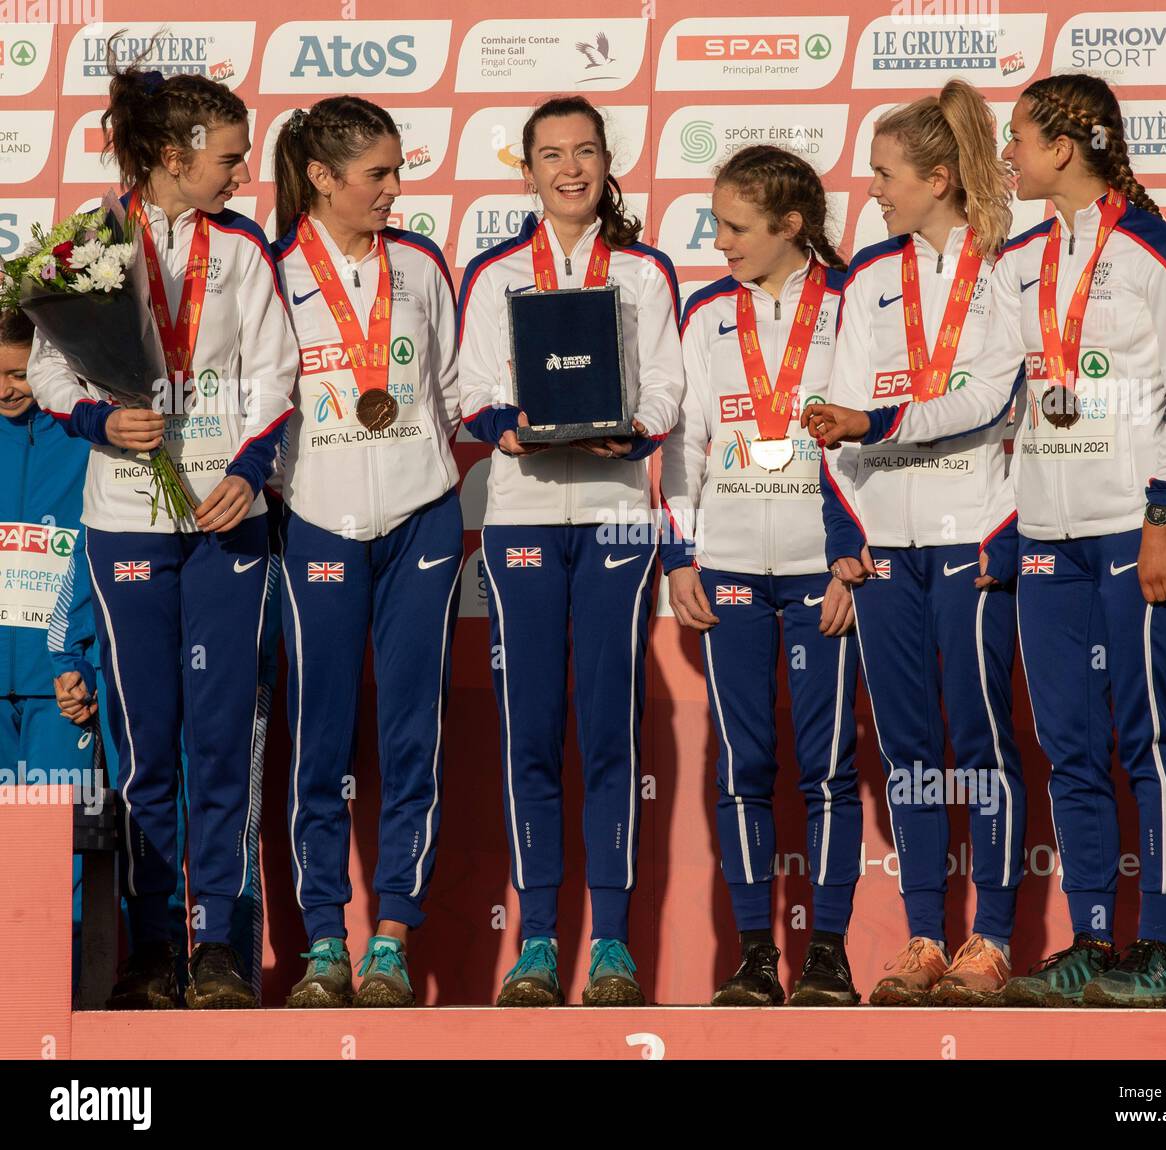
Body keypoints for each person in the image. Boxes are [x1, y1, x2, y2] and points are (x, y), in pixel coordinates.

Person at [805, 73, 1166, 1007]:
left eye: (1022, 143)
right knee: (1069, 743)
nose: (1008, 160)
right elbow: (991, 390)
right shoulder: (1020, 259)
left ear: (1064, 150)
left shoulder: (1153, 251)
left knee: (1149, 739)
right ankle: (1092, 942)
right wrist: (875, 424)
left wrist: (1161, 515)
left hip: (1128, 526)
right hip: (1044, 534)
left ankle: (1162, 952)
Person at [27, 39, 298, 1009]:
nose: (242, 171)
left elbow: (278, 375)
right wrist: (102, 417)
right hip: (127, 518)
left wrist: (250, 468)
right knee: (145, 743)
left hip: (223, 520)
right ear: (177, 153)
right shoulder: (88, 240)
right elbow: (54, 368)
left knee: (221, 738)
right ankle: (150, 948)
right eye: (230, 155)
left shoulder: (244, 251)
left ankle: (219, 940)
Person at [457, 95, 685, 1007]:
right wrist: (513, 429)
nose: (571, 169)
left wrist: (634, 432)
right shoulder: (493, 271)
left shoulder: (643, 268)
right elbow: (471, 390)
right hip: (521, 516)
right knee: (532, 733)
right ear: (527, 168)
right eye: (551, 154)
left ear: (606, 157)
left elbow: (669, 386)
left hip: (619, 515)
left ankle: (616, 947)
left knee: (611, 729)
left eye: (585, 150)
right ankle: (540, 941)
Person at [816, 80, 1026, 1007]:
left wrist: (873, 421)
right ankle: (923, 939)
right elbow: (830, 414)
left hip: (973, 532)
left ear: (938, 178)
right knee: (906, 747)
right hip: (886, 547)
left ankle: (996, 937)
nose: (871, 191)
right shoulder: (868, 277)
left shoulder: (1008, 270)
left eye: (885, 175)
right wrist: (845, 532)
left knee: (978, 743)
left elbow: (991, 399)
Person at [659, 145, 862, 1006]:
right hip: (731, 564)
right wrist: (679, 552)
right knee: (742, 763)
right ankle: (751, 954)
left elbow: (867, 440)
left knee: (828, 767)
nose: (721, 241)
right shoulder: (707, 313)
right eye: (716, 223)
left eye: (737, 227)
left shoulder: (853, 305)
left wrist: (856, 555)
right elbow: (684, 442)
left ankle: (828, 954)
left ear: (791, 226)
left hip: (827, 568)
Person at [271, 96, 462, 1008]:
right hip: (317, 520)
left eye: (398, 171)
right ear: (322, 177)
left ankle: (390, 933)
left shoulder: (421, 263)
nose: (395, 189)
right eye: (378, 174)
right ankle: (321, 939)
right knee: (319, 734)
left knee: (410, 731)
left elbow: (453, 392)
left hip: (423, 516)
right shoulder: (271, 273)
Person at [0, 307, 99, 988]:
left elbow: (101, 554)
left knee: (60, 857)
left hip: (58, 687)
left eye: (16, 373)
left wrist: (82, 661)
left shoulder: (88, 438)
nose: (6, 388)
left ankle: (57, 999)